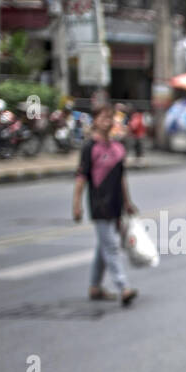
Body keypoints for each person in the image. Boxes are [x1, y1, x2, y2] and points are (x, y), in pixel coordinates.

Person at [74, 103, 139, 307]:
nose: (107, 121)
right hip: (99, 203)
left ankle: (95, 286)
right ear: (95, 120)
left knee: (104, 245)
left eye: (110, 118)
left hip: (116, 203)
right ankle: (123, 287)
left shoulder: (118, 149)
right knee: (110, 246)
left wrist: (127, 202)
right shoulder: (89, 148)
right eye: (103, 117)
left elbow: (122, 179)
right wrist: (77, 205)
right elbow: (81, 178)